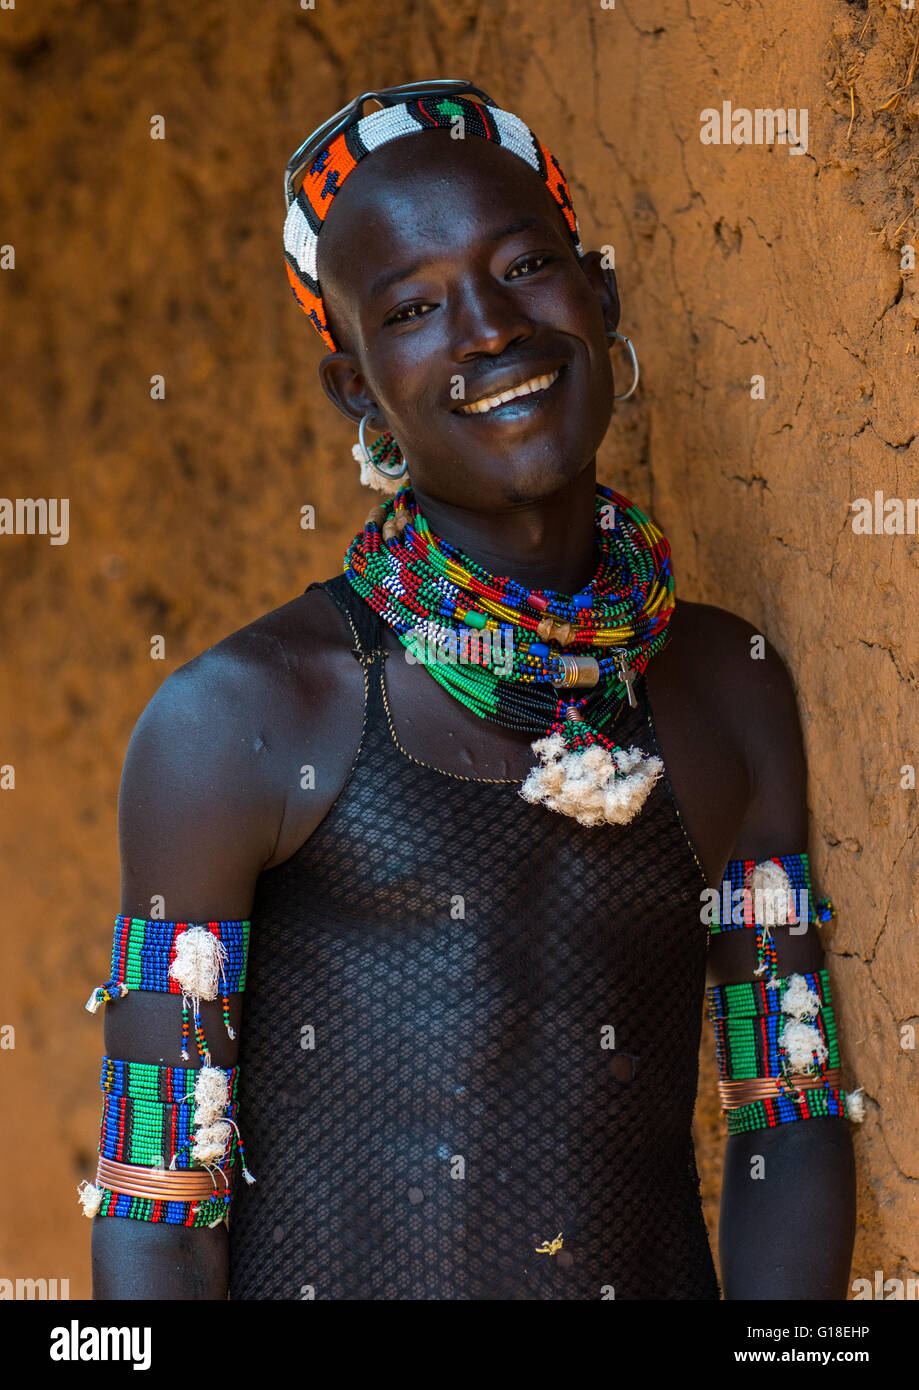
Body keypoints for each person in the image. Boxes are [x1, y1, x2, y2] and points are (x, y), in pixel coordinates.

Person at [84, 82, 858, 1300]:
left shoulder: (724, 689)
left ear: (598, 293)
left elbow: (790, 1109)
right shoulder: (243, 719)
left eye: (525, 265)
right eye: (412, 308)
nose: (489, 328)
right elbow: (157, 1208)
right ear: (355, 385)